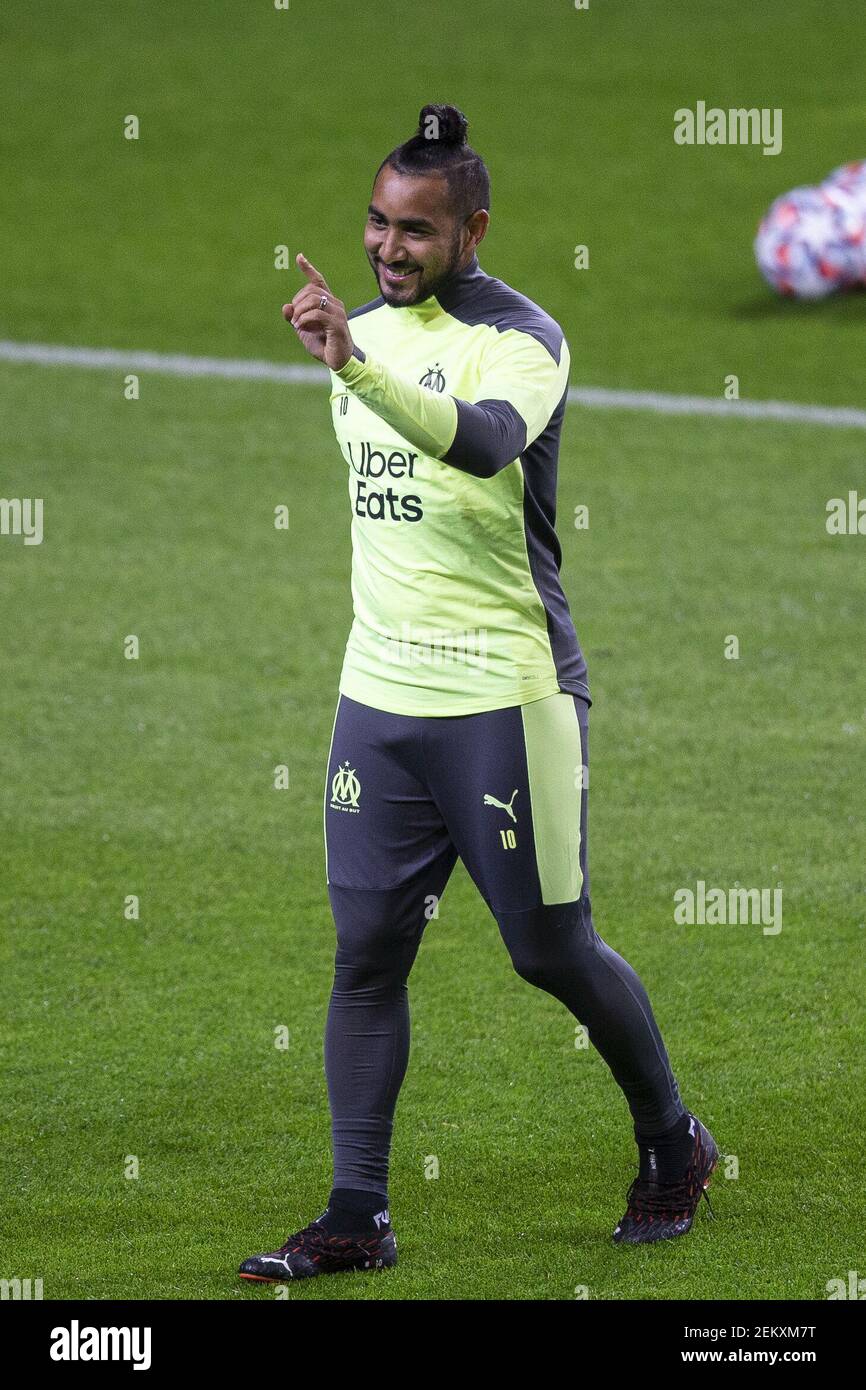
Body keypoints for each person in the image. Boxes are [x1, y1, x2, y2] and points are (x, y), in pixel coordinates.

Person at [239, 103, 718, 1284]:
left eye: (414, 229)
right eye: (374, 221)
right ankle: (356, 1215)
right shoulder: (353, 332)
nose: (387, 247)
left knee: (549, 947)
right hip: (377, 699)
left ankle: (672, 1147)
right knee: (363, 955)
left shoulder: (522, 339)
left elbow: (485, 443)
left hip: (504, 697)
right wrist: (352, 353)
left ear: (471, 229)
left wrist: (355, 366)